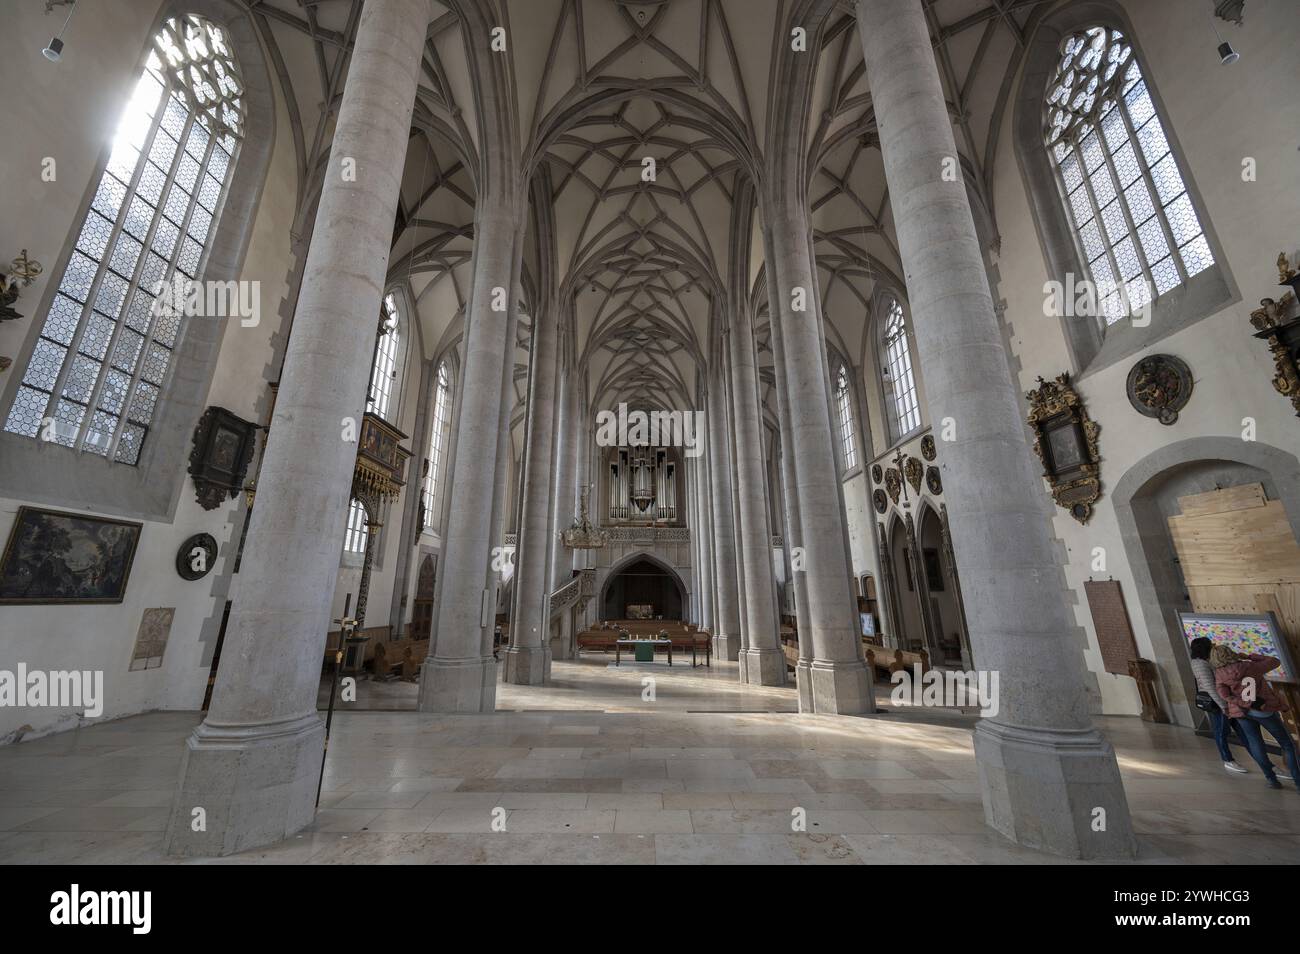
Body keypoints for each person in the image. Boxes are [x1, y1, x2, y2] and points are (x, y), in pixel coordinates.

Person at [1211, 644, 1300, 791]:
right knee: (1287, 744)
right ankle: (1298, 781)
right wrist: (1249, 656)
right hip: (1262, 709)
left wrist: (1243, 703)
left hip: (1241, 713)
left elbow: (1225, 695)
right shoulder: (1250, 666)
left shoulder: (1219, 674)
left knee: (1255, 743)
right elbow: (1274, 661)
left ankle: (1271, 779)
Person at [1187, 637, 1249, 774]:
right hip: (1217, 703)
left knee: (1240, 729)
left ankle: (1260, 759)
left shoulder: (1203, 661)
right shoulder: (1201, 664)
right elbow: (1210, 687)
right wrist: (1223, 706)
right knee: (1221, 731)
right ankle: (1228, 760)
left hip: (1222, 701)